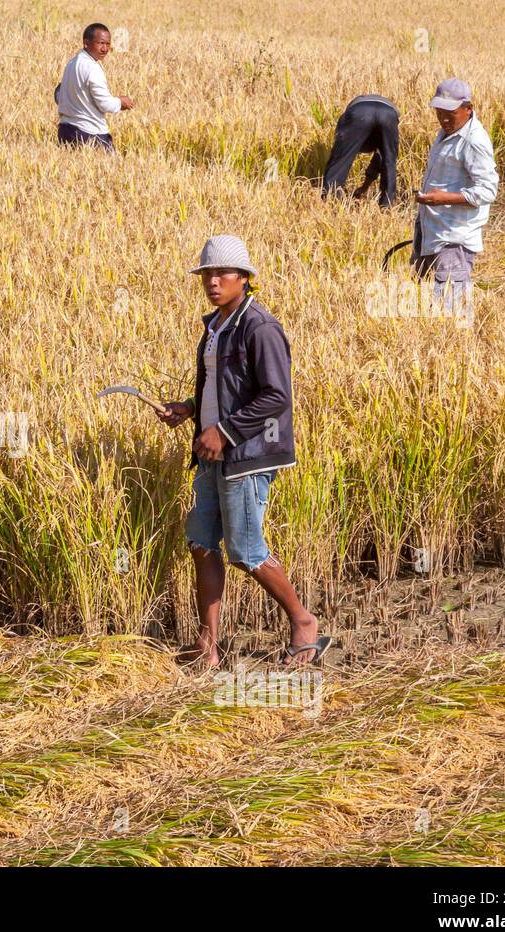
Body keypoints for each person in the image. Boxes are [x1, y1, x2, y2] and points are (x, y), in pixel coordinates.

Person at [157, 236, 328, 668]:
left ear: (244, 279)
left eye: (222, 274)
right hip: (215, 452)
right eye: (206, 275)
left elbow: (275, 396)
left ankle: (303, 621)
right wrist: (191, 409)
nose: (213, 282)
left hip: (249, 454)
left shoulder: (260, 327)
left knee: (245, 551)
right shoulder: (215, 327)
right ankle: (208, 646)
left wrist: (225, 432)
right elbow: (228, 389)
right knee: (200, 541)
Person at [412, 78, 499, 308]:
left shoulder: (474, 141)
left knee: (451, 309)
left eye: (450, 113)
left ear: (468, 108)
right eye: (439, 112)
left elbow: (487, 190)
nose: (444, 118)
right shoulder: (446, 132)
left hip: (454, 237)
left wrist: (442, 199)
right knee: (424, 303)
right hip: (433, 231)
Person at [55, 23, 133, 152]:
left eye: (108, 44)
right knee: (109, 170)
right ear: (86, 43)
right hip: (90, 134)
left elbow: (58, 96)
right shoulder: (92, 68)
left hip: (65, 131)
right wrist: (121, 102)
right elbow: (105, 104)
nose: (105, 49)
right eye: (101, 43)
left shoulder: (72, 63)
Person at [321, 94, 399, 206]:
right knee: (389, 161)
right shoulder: (377, 137)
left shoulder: (350, 120)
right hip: (389, 114)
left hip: (359, 111)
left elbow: (339, 155)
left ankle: (331, 202)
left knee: (340, 160)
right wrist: (364, 187)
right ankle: (387, 206)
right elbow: (381, 160)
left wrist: (364, 188)